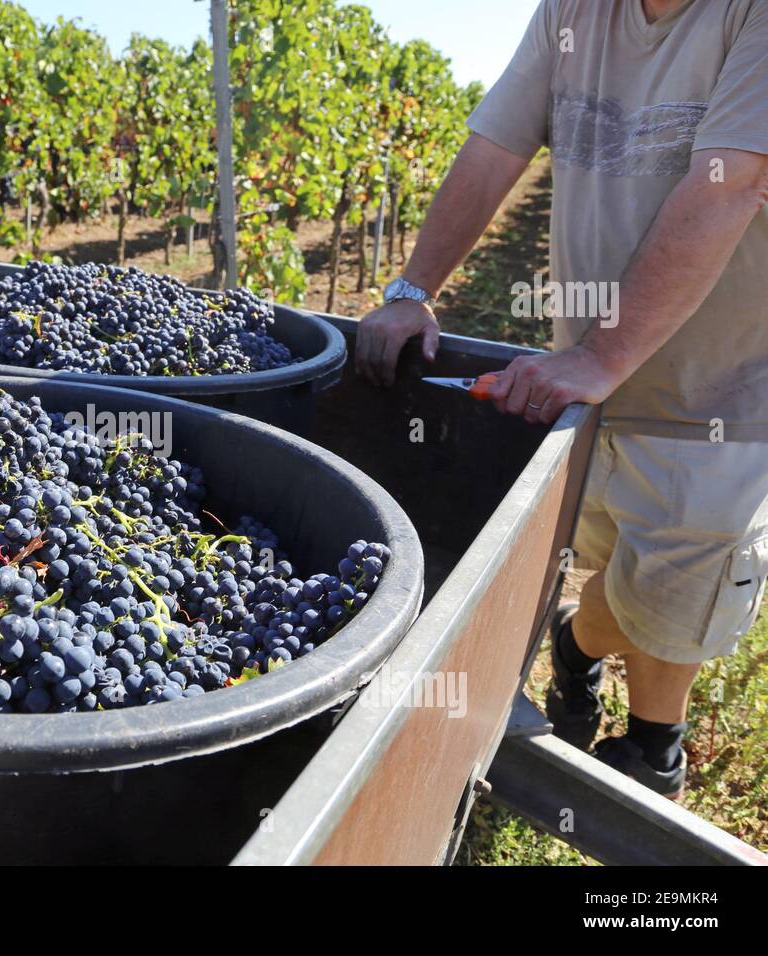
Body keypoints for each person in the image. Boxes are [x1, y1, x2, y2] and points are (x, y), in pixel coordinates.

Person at [356, 0, 768, 797]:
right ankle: (580, 646)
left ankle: (654, 749)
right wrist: (413, 288)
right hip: (587, 384)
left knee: (678, 586)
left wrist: (604, 352)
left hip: (716, 393)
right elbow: (493, 148)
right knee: (617, 572)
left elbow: (735, 181)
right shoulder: (575, 10)